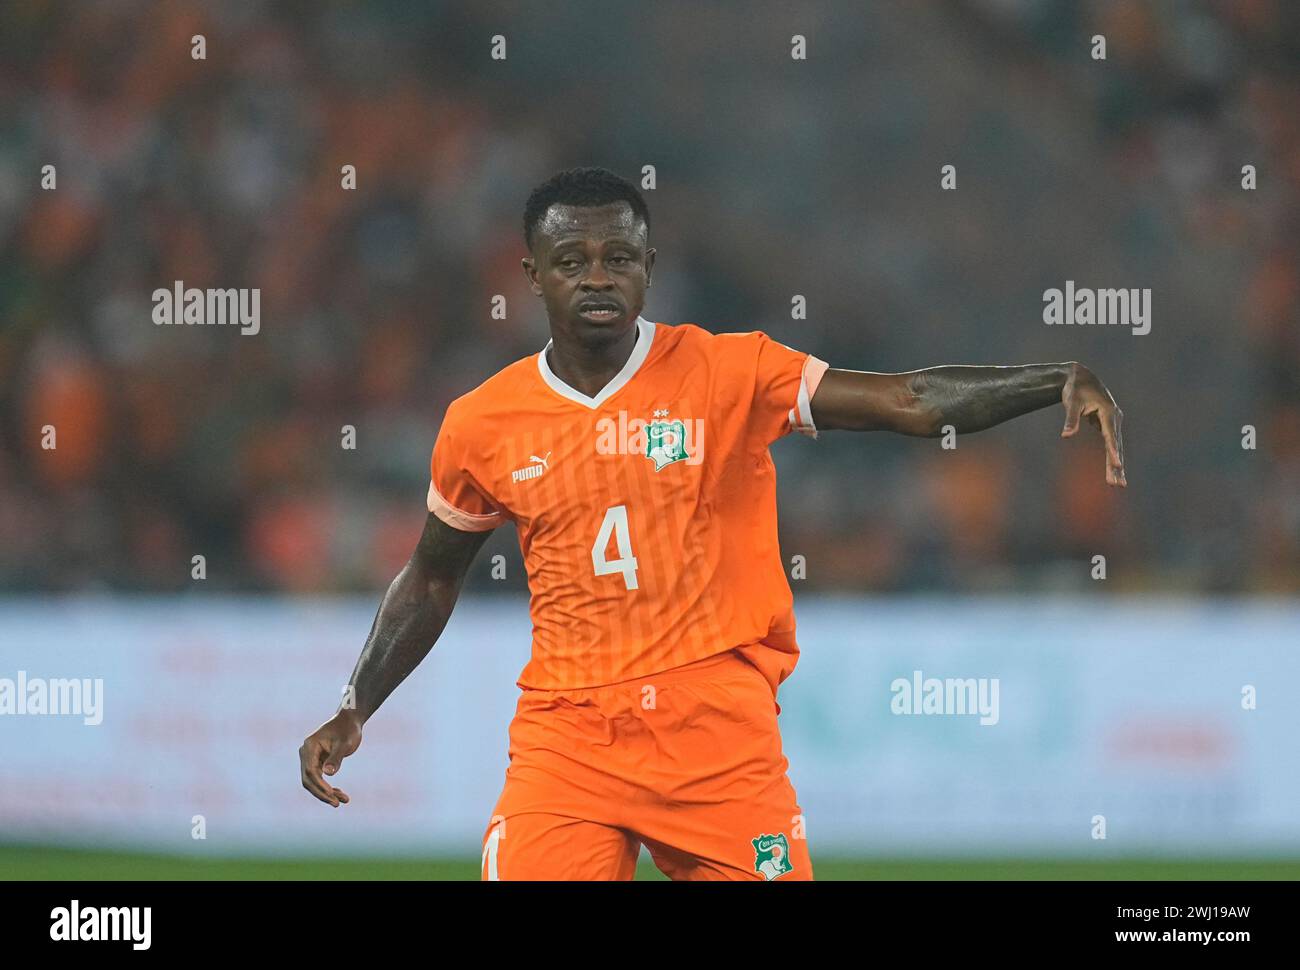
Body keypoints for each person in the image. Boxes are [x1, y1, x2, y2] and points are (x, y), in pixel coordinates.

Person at [299, 167, 1125, 880]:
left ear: (649, 269)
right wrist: (355, 704)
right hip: (569, 735)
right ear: (532, 274)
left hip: (716, 733)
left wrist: (1052, 379)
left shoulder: (731, 371)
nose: (598, 277)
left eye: (619, 258)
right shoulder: (482, 422)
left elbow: (907, 401)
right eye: (572, 261)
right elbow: (434, 574)